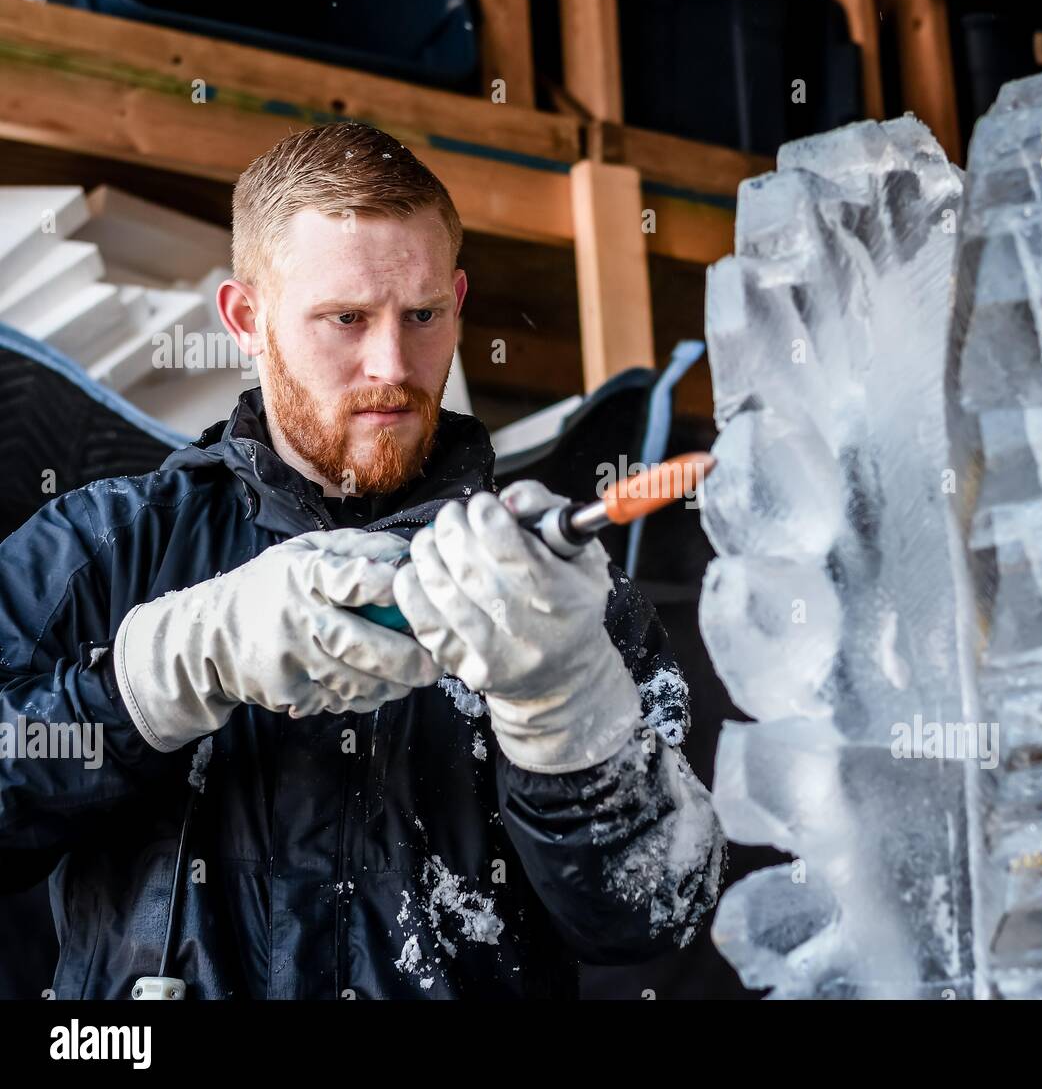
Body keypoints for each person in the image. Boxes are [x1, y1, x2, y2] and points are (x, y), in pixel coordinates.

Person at [0, 123, 725, 999]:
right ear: (246, 319)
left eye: (422, 315)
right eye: (346, 318)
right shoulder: (104, 549)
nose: (393, 365)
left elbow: (656, 913)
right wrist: (153, 680)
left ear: (457, 300)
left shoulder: (556, 594)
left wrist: (566, 709)